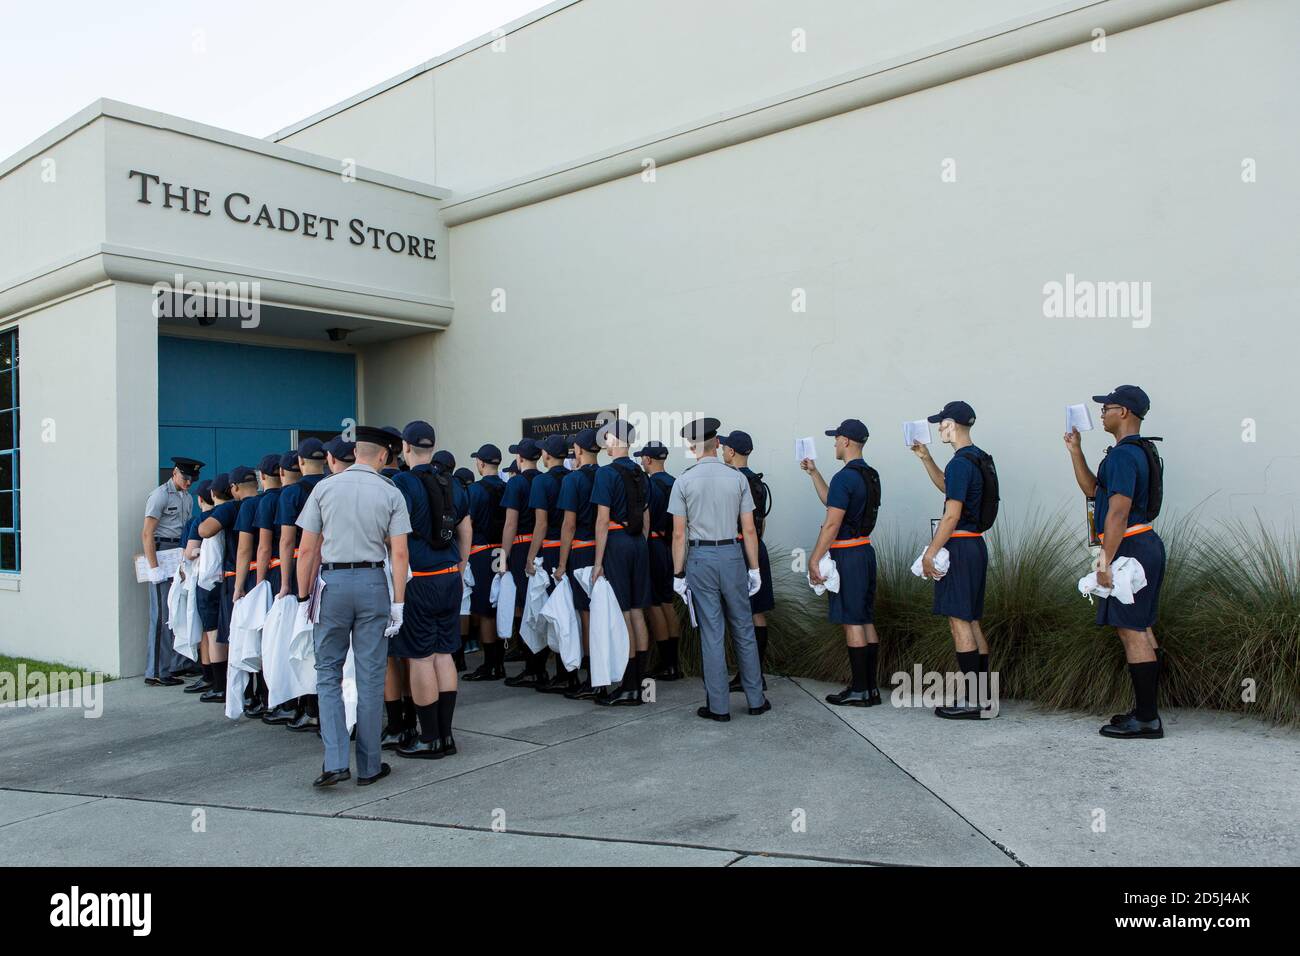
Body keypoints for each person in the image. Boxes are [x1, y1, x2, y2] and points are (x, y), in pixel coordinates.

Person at [294, 426, 411, 787]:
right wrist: (398, 604)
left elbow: (308, 549)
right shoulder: (390, 491)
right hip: (374, 583)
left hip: (332, 584)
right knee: (371, 676)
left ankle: (334, 762)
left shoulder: (324, 489)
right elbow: (400, 553)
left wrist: (302, 597)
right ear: (381, 456)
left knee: (328, 672)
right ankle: (370, 765)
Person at [1066, 385, 1166, 740]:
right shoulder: (1135, 451)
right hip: (1143, 542)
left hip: (1132, 545)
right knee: (1142, 625)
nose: (1102, 413)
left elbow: (1118, 511)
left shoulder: (1124, 455)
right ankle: (1145, 711)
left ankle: (1148, 720)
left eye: (1107, 408)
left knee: (1132, 629)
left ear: (1124, 412)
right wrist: (1075, 451)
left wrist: (1104, 559)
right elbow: (1094, 491)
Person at [669, 417, 769, 721]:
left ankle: (719, 707)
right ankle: (755, 700)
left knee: (712, 632)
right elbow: (749, 530)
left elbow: (678, 534)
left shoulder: (683, 481)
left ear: (693, 447)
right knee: (743, 628)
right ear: (717, 445)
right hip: (732, 554)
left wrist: (677, 573)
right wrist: (755, 569)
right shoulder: (736, 478)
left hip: (701, 558)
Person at [390, 421, 471, 759]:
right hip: (450, 576)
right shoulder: (452, 483)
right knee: (443, 653)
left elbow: (393, 538)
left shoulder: (402, 483)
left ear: (406, 448)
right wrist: (462, 564)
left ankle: (429, 738)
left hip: (419, 579)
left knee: (420, 656)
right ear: (433, 447)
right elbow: (466, 527)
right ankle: (446, 736)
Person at [911, 401, 997, 719]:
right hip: (975, 545)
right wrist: (926, 458)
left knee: (959, 622)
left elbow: (951, 514)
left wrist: (931, 552)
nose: (938, 429)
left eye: (941, 423)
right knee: (972, 619)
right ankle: (984, 698)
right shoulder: (978, 459)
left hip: (959, 548)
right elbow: (951, 489)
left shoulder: (961, 463)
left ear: (952, 424)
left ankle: (972, 702)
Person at [805, 419, 884, 707]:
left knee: (852, 621)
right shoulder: (869, 475)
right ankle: (870, 688)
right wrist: (815, 474)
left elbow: (832, 523)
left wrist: (814, 559)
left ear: (847, 441)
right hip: (865, 551)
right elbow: (835, 501)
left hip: (847, 555)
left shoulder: (844, 477)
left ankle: (859, 690)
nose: (834, 444)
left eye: (836, 439)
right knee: (865, 618)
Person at [590, 419, 652, 706]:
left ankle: (627, 686)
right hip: (639, 542)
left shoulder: (606, 473)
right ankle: (639, 684)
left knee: (623, 613)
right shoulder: (641, 472)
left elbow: (602, 520)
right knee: (638, 611)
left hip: (616, 543)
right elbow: (646, 517)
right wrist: (642, 544)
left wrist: (597, 561)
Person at [275, 438, 329, 732]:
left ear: (299, 463)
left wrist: (288, 585)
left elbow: (287, 541)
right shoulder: (333, 485)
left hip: (304, 570)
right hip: (334, 570)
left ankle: (310, 709)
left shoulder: (292, 493)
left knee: (305, 645)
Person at [141, 456, 203, 685]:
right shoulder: (160, 495)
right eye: (185, 477)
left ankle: (178, 663)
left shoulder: (186, 496)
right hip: (162, 551)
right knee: (162, 616)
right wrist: (153, 568)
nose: (189, 482)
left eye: (192, 479)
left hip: (179, 551)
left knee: (179, 610)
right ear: (175, 472)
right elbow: (147, 533)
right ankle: (156, 671)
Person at [199, 470, 260, 700]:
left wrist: (206, 514)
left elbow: (204, 531)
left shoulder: (229, 508)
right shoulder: (264, 501)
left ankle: (241, 693)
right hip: (266, 574)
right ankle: (260, 696)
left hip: (238, 577)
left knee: (238, 638)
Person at [720, 430, 774, 690]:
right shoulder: (757, 481)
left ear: (731, 451)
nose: (721, 451)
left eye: (724, 447)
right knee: (757, 611)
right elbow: (760, 523)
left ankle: (746, 676)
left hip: (738, 548)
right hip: (757, 548)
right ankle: (756, 674)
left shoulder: (730, 481)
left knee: (740, 614)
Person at [553, 427, 602, 699]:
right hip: (605, 551)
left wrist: (561, 563)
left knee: (586, 617)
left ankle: (594, 678)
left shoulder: (573, 480)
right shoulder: (607, 475)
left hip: (582, 552)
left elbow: (568, 525)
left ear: (579, 451)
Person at [526, 434, 576, 693]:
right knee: (569, 611)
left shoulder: (542, 481)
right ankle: (569, 671)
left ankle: (564, 675)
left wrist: (530, 556)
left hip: (552, 550)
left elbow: (541, 524)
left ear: (546, 455)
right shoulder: (571, 478)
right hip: (571, 549)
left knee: (555, 612)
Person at [500, 438, 546, 687]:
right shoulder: (543, 479)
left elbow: (510, 523)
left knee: (525, 607)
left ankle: (533, 667)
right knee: (537, 604)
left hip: (520, 547)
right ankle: (537, 664)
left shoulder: (516, 482)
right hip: (542, 546)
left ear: (519, 458)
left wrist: (503, 557)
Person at [636, 440, 683, 681]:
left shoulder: (648, 484)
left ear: (648, 459)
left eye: (642, 457)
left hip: (652, 545)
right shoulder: (675, 483)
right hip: (670, 546)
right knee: (667, 603)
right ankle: (673, 663)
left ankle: (666, 664)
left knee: (654, 604)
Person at [231, 460, 274, 718]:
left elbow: (245, 549)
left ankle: (260, 697)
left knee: (257, 640)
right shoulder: (267, 500)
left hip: (259, 577)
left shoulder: (248, 506)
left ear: (235, 487)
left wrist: (239, 586)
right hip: (286, 573)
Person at [462, 444, 508, 681]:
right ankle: (498, 661)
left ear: (480, 463)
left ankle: (492, 664)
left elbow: (467, 525)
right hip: (503, 550)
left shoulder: (475, 490)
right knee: (499, 605)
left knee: (485, 610)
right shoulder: (507, 486)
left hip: (481, 552)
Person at [255, 452, 295, 724]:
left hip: (282, 575)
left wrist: (259, 584)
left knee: (278, 644)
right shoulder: (317, 489)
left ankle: (284, 701)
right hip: (319, 573)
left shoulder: (274, 500)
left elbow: (263, 546)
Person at [195, 473, 232, 703]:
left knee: (213, 632)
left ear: (211, 494)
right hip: (232, 579)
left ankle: (220, 686)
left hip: (212, 580)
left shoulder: (216, 516)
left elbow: (202, 534)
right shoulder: (242, 508)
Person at [181, 479, 216, 695]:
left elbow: (189, 552)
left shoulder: (200, 520)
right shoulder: (233, 512)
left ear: (200, 499)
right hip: (230, 578)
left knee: (207, 629)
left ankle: (209, 676)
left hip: (205, 580)